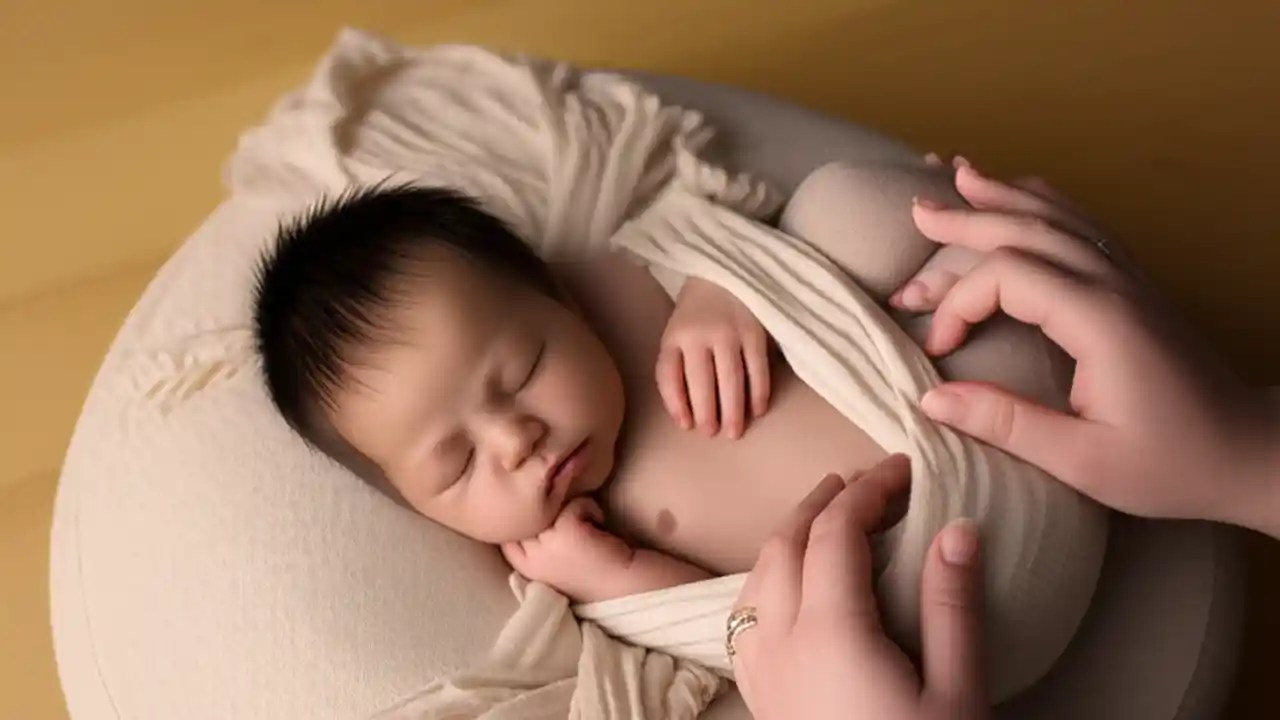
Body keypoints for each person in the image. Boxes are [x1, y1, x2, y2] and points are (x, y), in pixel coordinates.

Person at [728, 156, 1280, 720]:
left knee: (851, 208)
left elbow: (700, 239)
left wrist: (723, 289)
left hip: (927, 391)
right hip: (935, 576)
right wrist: (1249, 452)